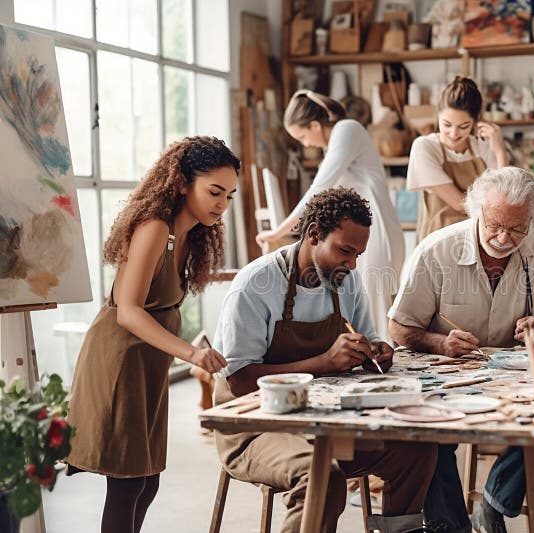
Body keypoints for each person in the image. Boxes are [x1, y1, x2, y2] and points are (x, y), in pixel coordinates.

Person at [214, 187, 436, 533]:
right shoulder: (256, 284)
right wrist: (324, 362)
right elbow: (239, 381)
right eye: (344, 251)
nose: (352, 264)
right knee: (322, 477)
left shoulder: (345, 280)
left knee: (415, 452)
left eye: (358, 255)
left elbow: (370, 338)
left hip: (327, 420)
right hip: (256, 428)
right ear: (314, 233)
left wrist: (377, 352)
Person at [65, 137, 239, 533]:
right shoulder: (155, 227)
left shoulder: (188, 234)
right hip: (120, 359)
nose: (222, 204)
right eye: (214, 191)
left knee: (146, 483)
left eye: (228, 195)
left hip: (146, 363)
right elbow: (128, 311)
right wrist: (192, 355)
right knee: (128, 485)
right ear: (181, 184)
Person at [388, 167, 534, 533]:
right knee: (433, 439)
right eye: (494, 224)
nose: (502, 237)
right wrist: (440, 343)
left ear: (532, 223)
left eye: (516, 229)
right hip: (444, 376)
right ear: (477, 211)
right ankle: (451, 527)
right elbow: (399, 327)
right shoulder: (437, 251)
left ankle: (494, 502)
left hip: (511, 376)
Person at [256, 90, 404, 341]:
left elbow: (319, 189)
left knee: (376, 305)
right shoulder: (337, 141)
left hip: (374, 227)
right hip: (365, 226)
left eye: (303, 136)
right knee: (366, 302)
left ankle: (383, 363)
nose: (305, 144)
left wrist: (279, 231)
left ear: (315, 124)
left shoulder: (347, 129)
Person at [406, 76, 508, 241]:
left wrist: (499, 149)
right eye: (446, 124)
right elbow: (460, 204)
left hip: (478, 240)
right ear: (438, 116)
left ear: (475, 123)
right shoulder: (425, 147)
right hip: (438, 241)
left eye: (463, 127)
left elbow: (505, 194)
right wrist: (493, 206)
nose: (454, 134)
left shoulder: (481, 146)